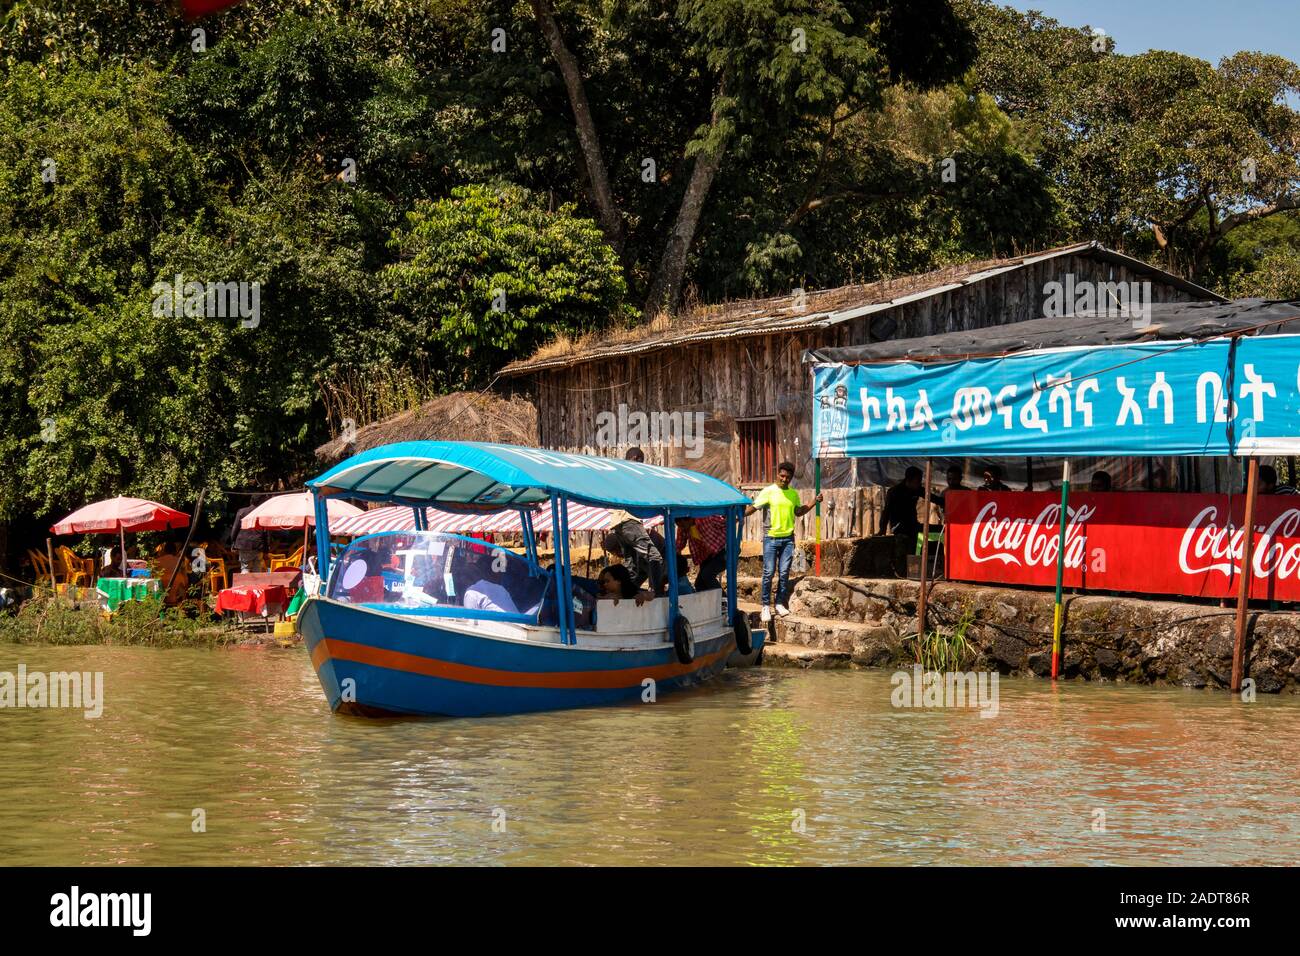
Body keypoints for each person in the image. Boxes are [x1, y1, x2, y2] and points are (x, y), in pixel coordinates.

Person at [744, 461, 821, 623]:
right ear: (777, 474)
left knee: (784, 572)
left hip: (788, 539)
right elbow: (753, 508)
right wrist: (738, 515)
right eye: (782, 475)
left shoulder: (793, 494)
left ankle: (779, 603)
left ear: (791, 478)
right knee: (769, 572)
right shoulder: (768, 492)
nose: (784, 479)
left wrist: (814, 501)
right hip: (771, 538)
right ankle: (765, 605)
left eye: (788, 477)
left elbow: (798, 512)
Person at [602, 515, 665, 603]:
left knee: (652, 559)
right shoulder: (629, 540)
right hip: (624, 520)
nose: (618, 555)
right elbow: (633, 568)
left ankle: (655, 593)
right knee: (634, 568)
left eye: (616, 551)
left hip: (621, 521)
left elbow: (653, 561)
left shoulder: (640, 537)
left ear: (618, 547)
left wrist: (652, 591)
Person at [675, 514, 727, 591]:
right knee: (699, 584)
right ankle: (708, 602)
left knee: (707, 575)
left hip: (724, 549)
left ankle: (723, 601)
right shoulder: (683, 528)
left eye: (682, 526)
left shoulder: (706, 518)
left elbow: (726, 522)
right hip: (708, 555)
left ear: (686, 520)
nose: (681, 528)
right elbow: (679, 545)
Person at [228, 495, 267, 573]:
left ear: (251, 501)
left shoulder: (241, 512)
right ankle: (257, 585)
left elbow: (235, 528)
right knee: (257, 568)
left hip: (244, 544)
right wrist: (266, 546)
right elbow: (266, 531)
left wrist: (233, 542)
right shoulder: (262, 513)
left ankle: (245, 584)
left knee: (245, 567)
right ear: (260, 502)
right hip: (258, 544)